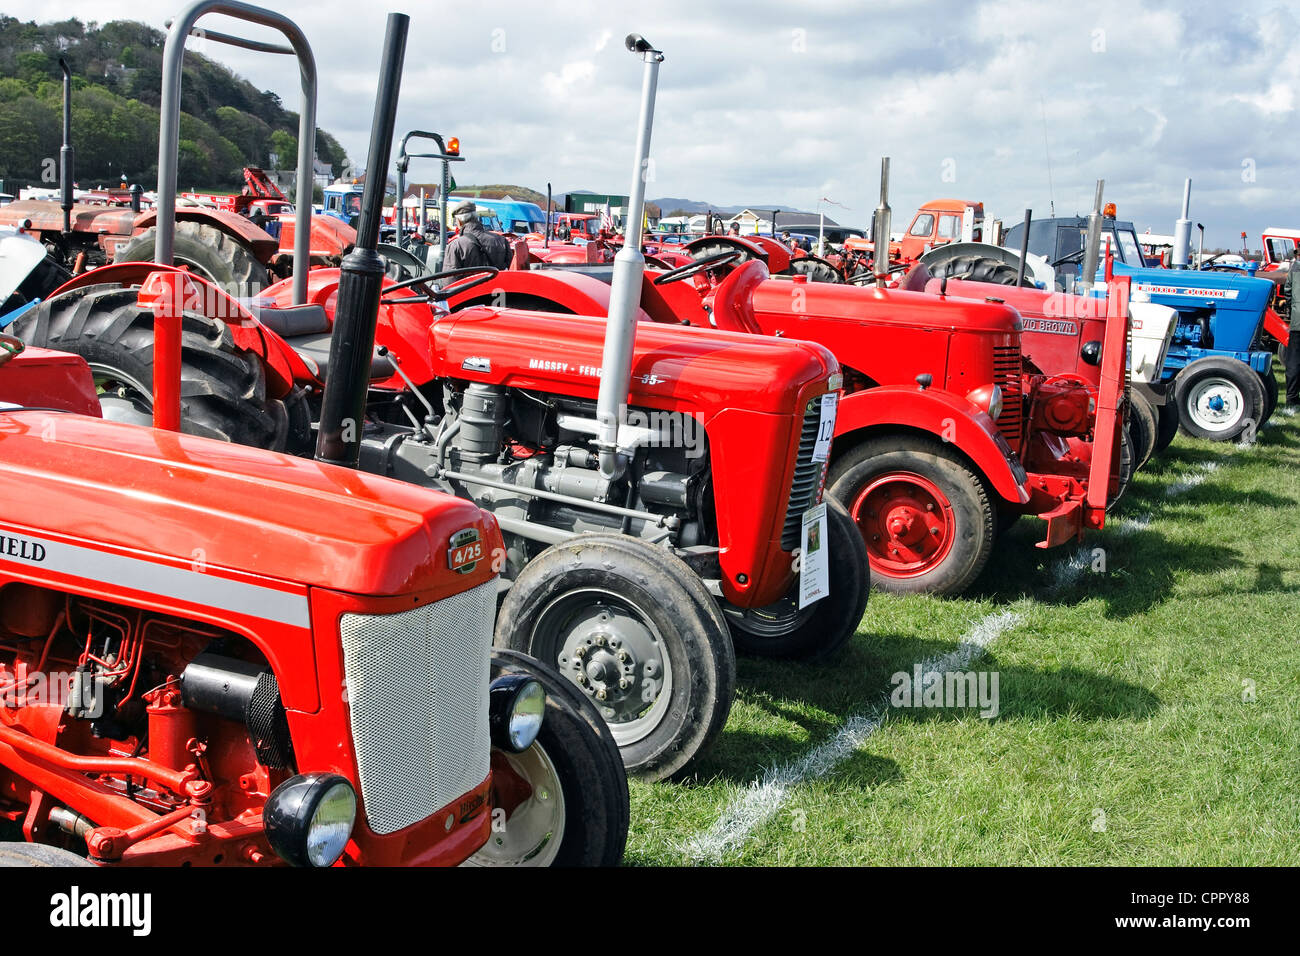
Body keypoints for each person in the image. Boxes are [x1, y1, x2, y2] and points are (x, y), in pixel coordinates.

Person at [444, 200, 512, 270]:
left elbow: (450, 278)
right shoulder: (502, 241)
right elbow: (510, 271)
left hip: (470, 281)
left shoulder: (456, 245)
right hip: (495, 280)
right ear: (476, 217)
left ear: (459, 221)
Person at [1283, 248, 1300, 407]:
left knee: (1294, 361)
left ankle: (1292, 399)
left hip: (1297, 321)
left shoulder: (1294, 269)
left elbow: (1287, 292)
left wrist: (1292, 309)